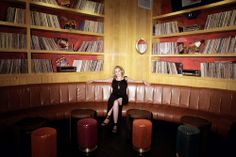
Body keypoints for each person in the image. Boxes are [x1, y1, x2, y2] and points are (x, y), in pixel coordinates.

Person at [87, 65, 149, 133]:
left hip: (123, 97)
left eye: (119, 71)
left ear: (121, 71)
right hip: (113, 96)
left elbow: (135, 81)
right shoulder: (112, 79)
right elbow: (102, 80)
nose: (118, 73)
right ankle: (115, 124)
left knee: (116, 101)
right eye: (116, 72)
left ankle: (108, 117)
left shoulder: (126, 78)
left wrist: (143, 81)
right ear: (114, 73)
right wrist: (93, 80)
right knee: (115, 102)